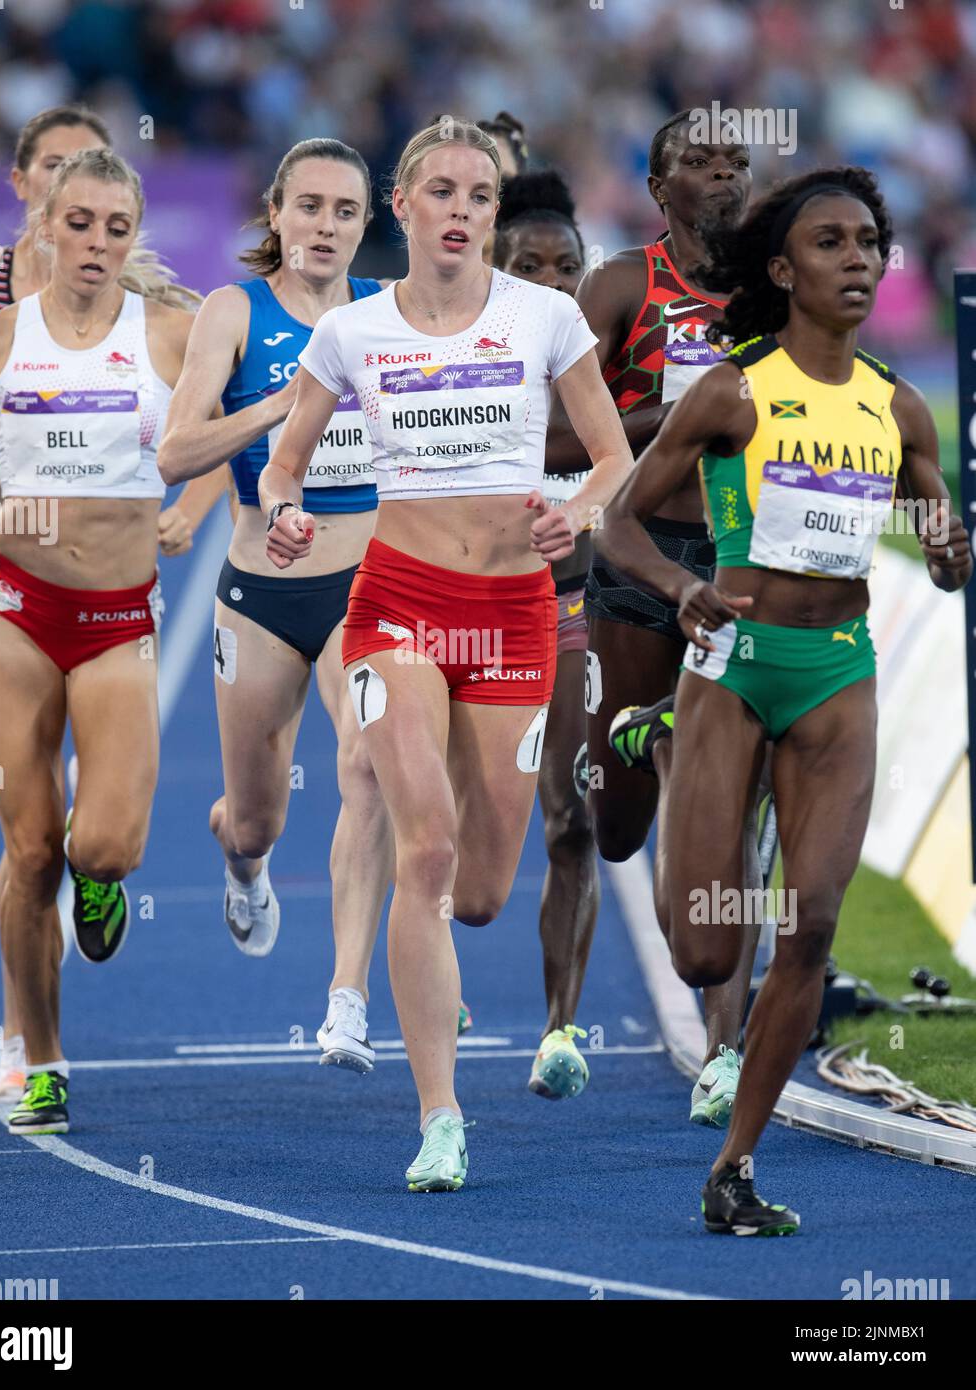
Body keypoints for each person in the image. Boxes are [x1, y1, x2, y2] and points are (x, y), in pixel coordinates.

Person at [259, 119, 632, 1190]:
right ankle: (439, 1115)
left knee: (474, 893)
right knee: (420, 855)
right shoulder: (354, 335)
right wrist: (283, 518)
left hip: (512, 611)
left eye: (480, 193)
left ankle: (439, 970)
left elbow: (608, 458)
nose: (462, 208)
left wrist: (585, 519)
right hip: (399, 609)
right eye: (441, 190)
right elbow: (285, 472)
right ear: (404, 207)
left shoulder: (544, 316)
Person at [602, 167, 972, 1233]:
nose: (856, 260)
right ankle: (667, 747)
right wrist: (679, 591)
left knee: (806, 929)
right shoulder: (730, 390)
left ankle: (735, 1167)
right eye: (829, 243)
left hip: (835, 673)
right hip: (729, 661)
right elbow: (617, 526)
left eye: (868, 243)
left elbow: (943, 553)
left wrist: (948, 545)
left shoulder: (897, 405)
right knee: (704, 952)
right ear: (781, 268)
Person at [0, 106, 221, 1099]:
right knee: (30, 843)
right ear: (44, 222)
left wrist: (195, 503)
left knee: (104, 843)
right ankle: (39, 1052)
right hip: (10, 602)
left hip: (118, 617)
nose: (95, 243)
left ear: (134, 236)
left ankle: (99, 883)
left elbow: (245, 435)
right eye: (79, 222)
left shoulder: (170, 333)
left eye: (115, 227)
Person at [158, 140, 393, 1070]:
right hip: (259, 596)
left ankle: (345, 1000)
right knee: (257, 819)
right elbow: (176, 455)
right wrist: (287, 404)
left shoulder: (390, 312)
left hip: (365, 586)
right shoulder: (233, 312)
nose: (324, 227)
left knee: (366, 764)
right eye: (308, 208)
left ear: (366, 223)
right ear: (276, 214)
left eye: (343, 211)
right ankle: (241, 864)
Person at [545, 109, 758, 1125]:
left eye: (736, 164)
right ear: (659, 186)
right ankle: (645, 748)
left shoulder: (775, 286)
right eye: (700, 166)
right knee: (617, 825)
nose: (722, 180)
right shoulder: (622, 287)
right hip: (633, 562)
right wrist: (671, 419)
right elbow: (552, 436)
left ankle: (725, 1046)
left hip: (741, 565)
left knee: (725, 805)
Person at [491, 169, 599, 1099]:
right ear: (497, 268)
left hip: (571, 609)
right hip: (471, 613)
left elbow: (635, 460)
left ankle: (558, 1030)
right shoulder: (462, 362)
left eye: (567, 265)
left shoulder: (603, 371)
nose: (551, 279)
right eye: (530, 264)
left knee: (570, 819)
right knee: (453, 835)